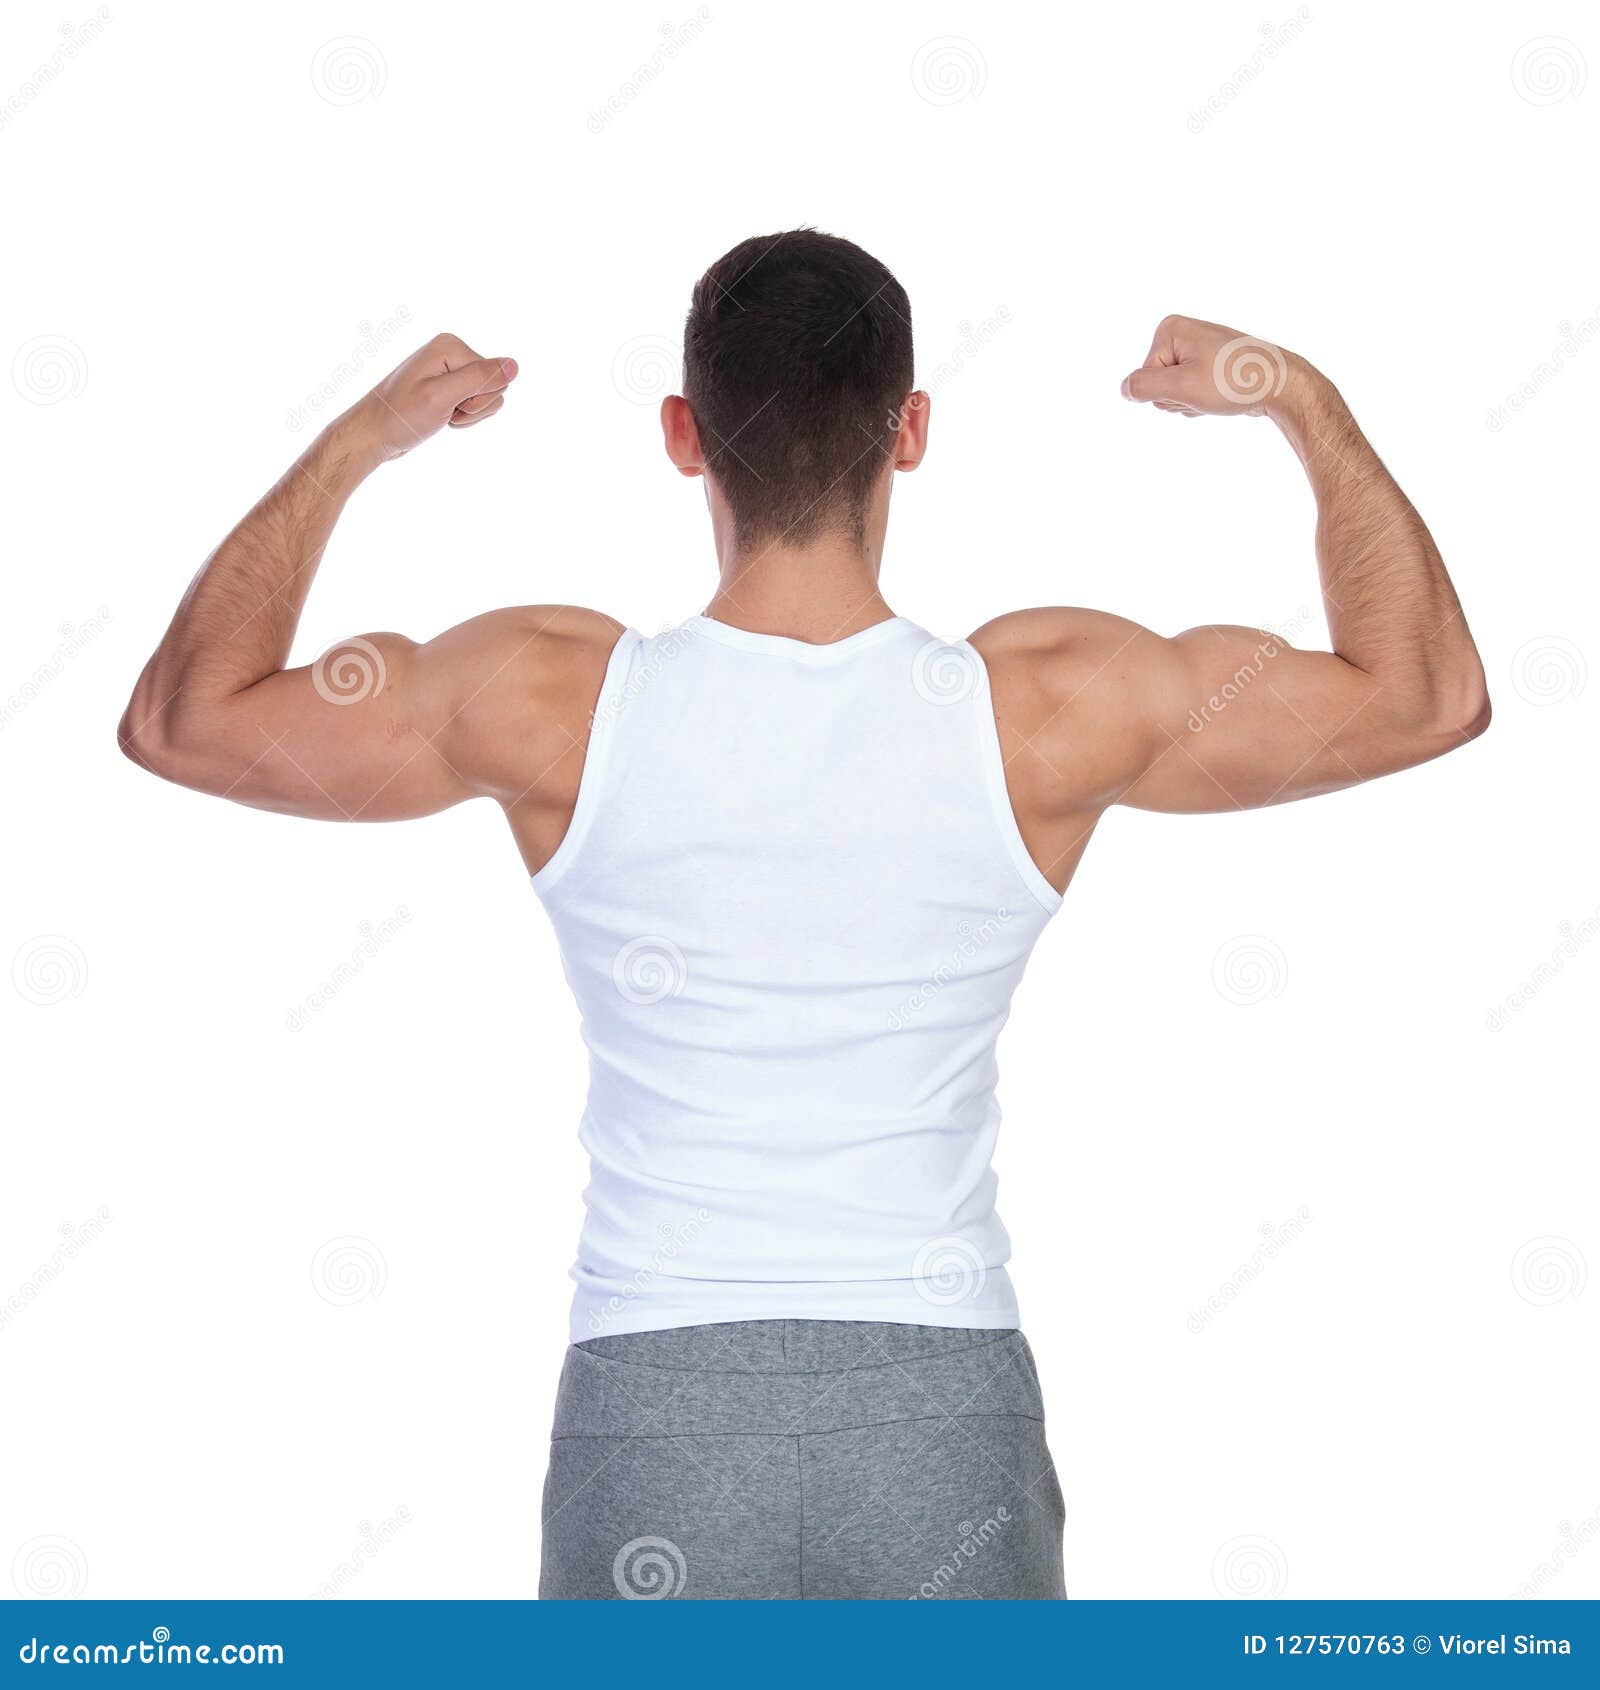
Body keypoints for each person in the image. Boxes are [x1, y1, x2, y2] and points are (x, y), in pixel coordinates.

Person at [118, 230, 1489, 1600]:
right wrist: (1299, 399)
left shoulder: (549, 694)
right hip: (940, 1405)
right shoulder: (1047, 702)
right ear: (911, 432)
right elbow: (1425, 695)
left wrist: (363, 440)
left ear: (682, 434)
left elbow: (185, 719)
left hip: (654, 1403)